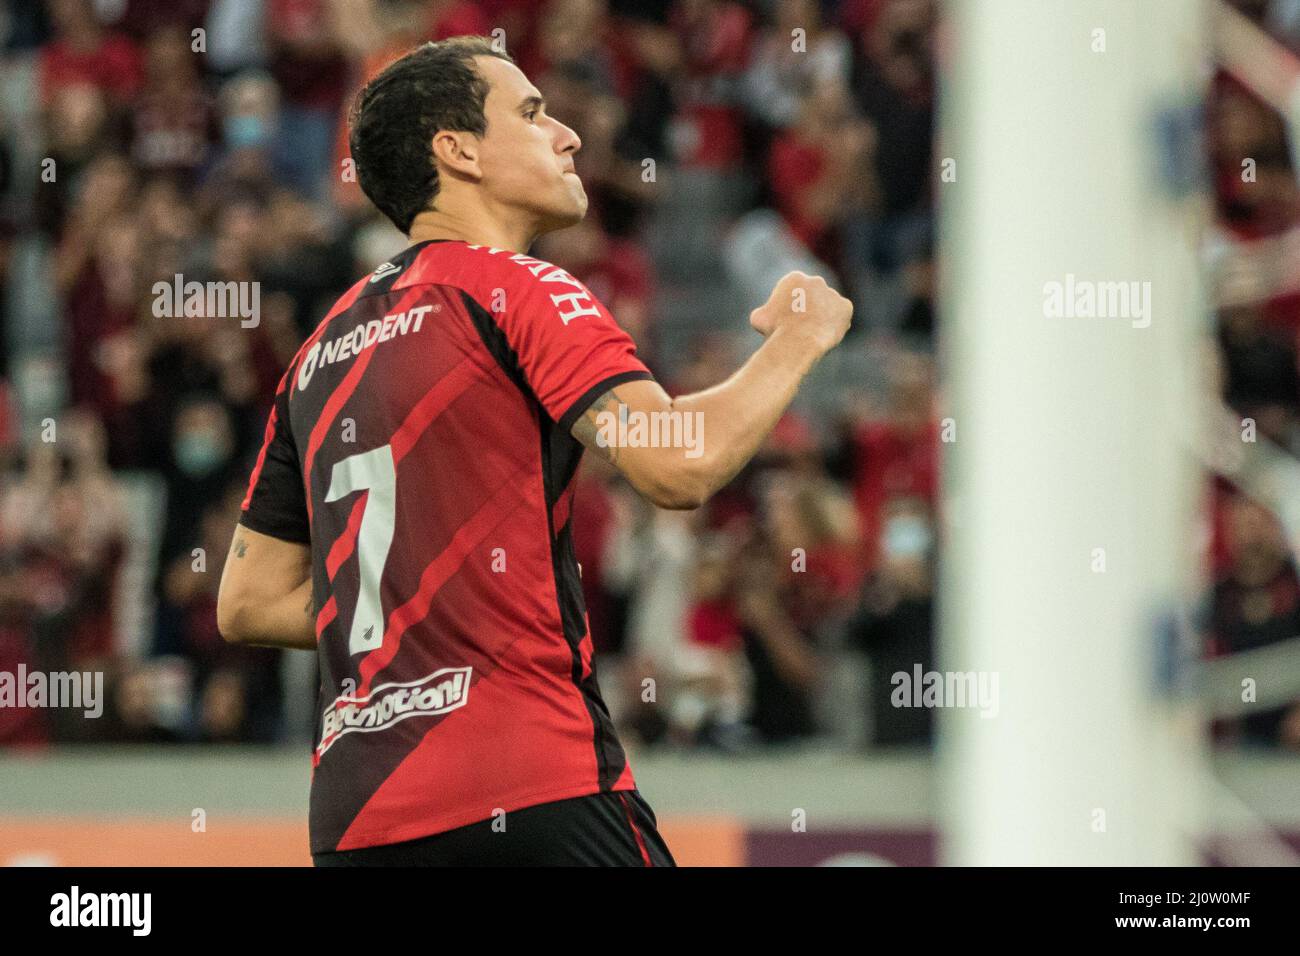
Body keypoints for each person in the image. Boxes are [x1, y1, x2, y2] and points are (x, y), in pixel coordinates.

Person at [216, 35, 852, 866]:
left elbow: (247, 599)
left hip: (359, 819)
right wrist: (795, 342)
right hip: (529, 782)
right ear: (458, 151)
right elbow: (677, 462)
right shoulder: (517, 287)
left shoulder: (318, 354)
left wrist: (433, 610)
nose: (568, 136)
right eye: (532, 112)